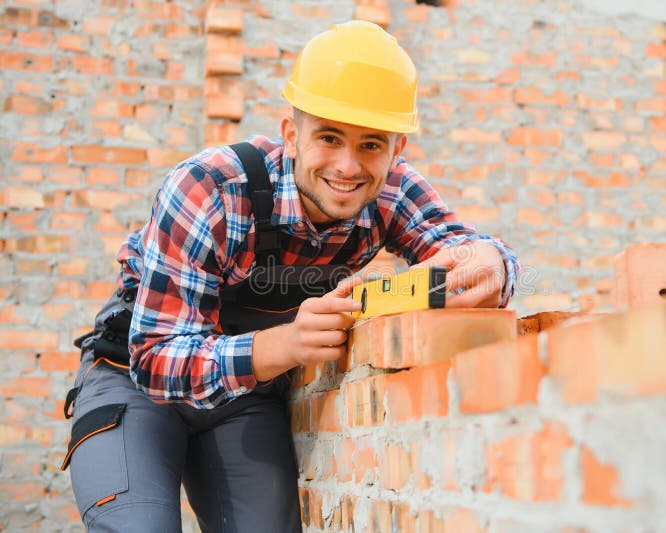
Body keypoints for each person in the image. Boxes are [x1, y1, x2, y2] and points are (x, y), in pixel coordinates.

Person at [61, 20, 519, 532]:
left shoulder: (391, 190)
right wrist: (287, 344)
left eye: (372, 144)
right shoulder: (208, 188)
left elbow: (465, 249)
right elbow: (156, 359)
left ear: (397, 150)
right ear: (291, 136)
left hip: (242, 400)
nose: (348, 166)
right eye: (329, 136)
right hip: (133, 383)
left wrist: (491, 264)